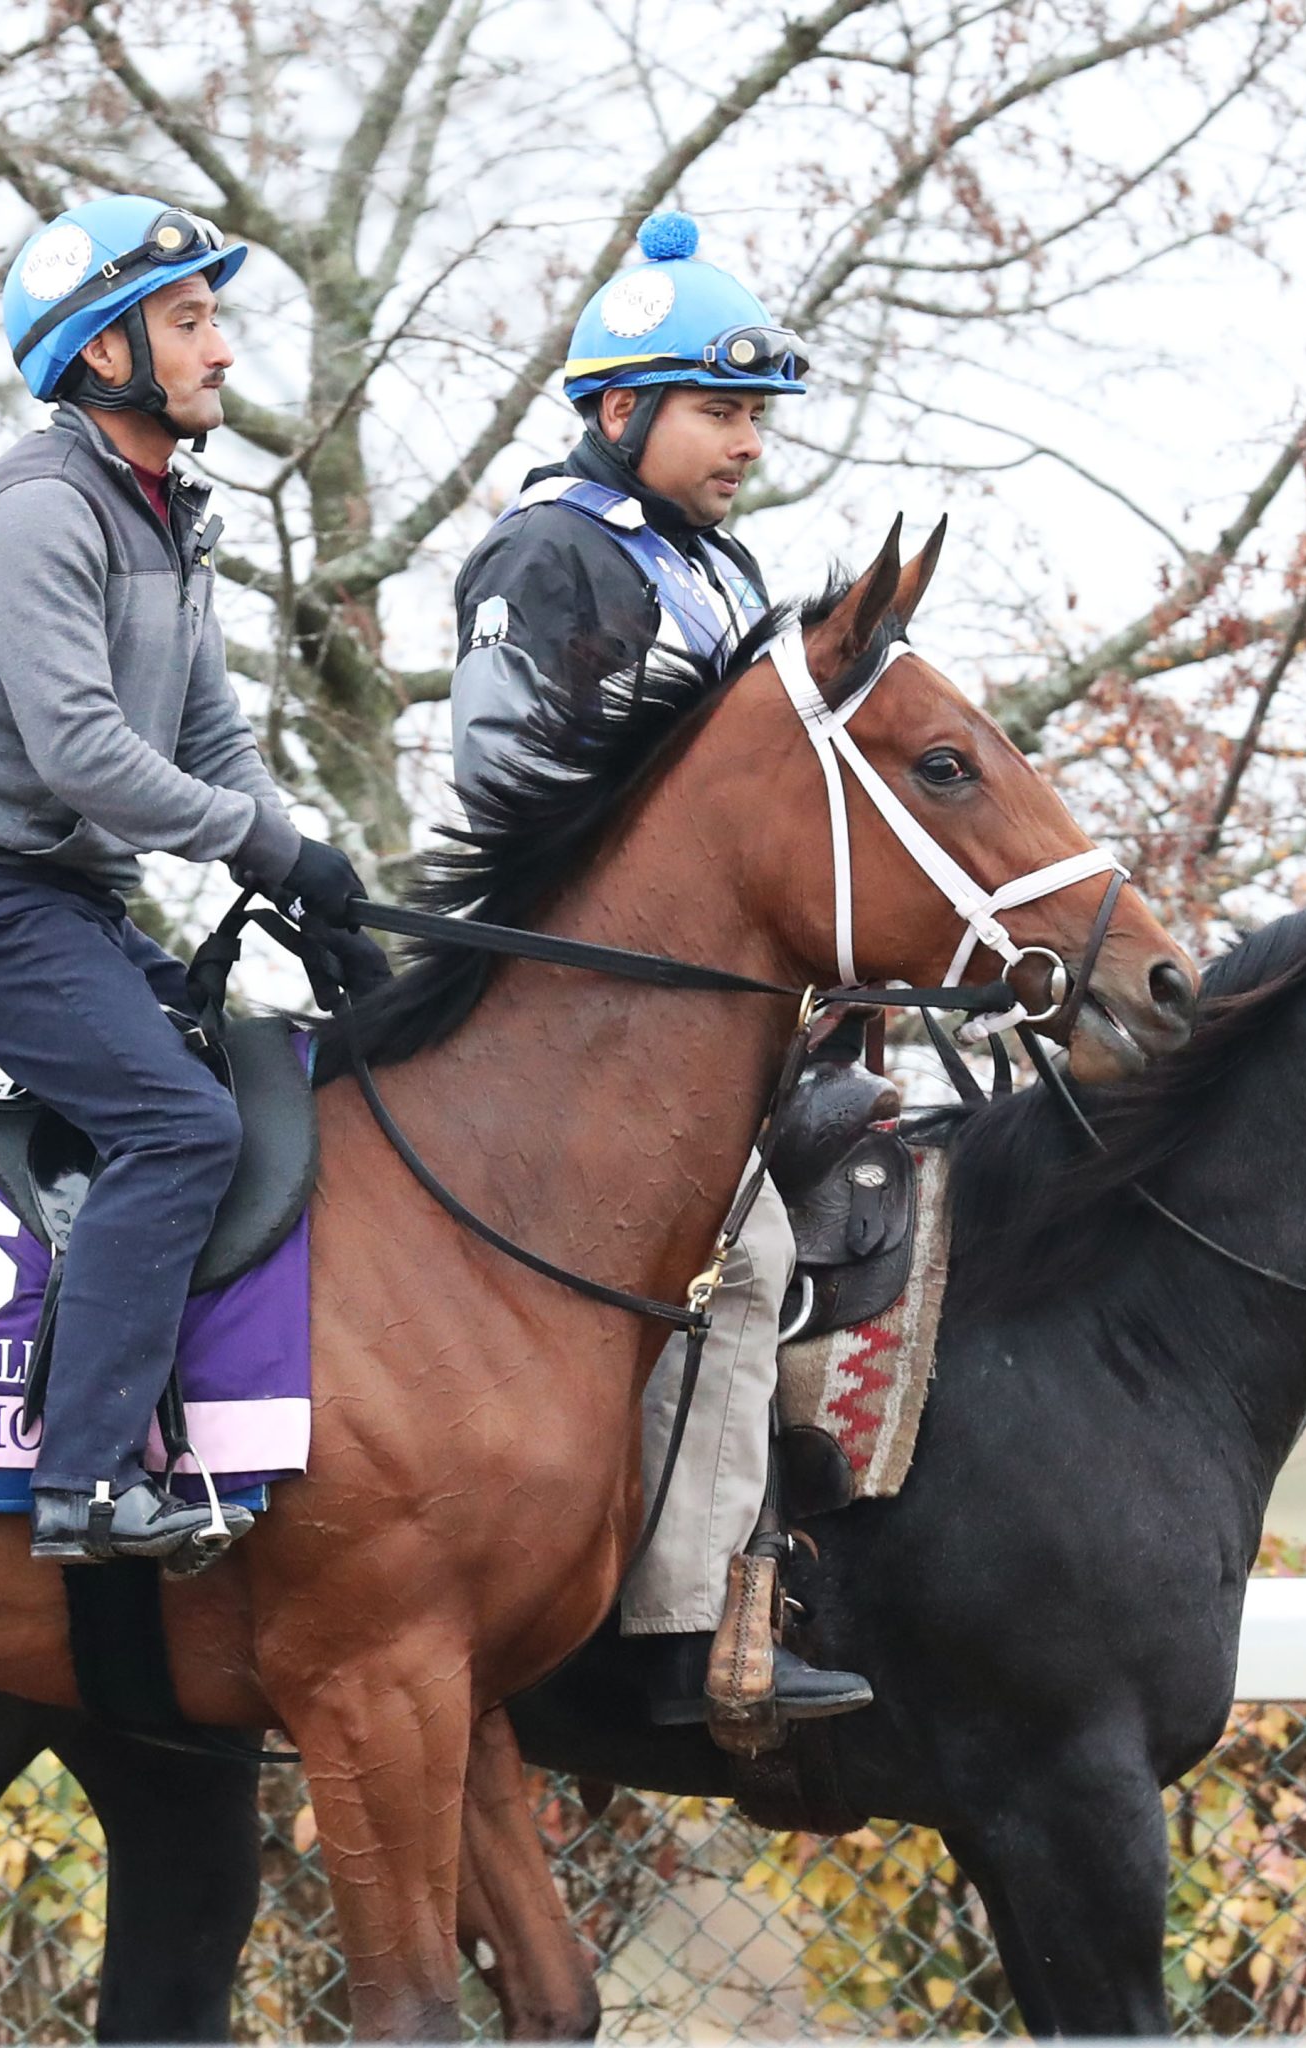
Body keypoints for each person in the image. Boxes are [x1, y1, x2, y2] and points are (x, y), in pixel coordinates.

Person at [0, 193, 388, 1569]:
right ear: (105, 357)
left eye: (214, 317)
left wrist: (313, 901)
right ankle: (84, 1482)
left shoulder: (166, 514)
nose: (221, 349)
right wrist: (272, 847)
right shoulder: (41, 513)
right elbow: (91, 755)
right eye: (189, 321)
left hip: (68, 905)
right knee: (180, 1128)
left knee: (258, 1084)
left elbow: (212, 739)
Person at [449, 212, 874, 1726]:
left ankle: (791, 1527)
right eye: (719, 412)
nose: (746, 445)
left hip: (693, 1024)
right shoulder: (548, 554)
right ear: (620, 410)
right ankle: (667, 1636)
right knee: (739, 1258)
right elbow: (510, 788)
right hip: (571, 1018)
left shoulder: (716, 564)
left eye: (757, 418)